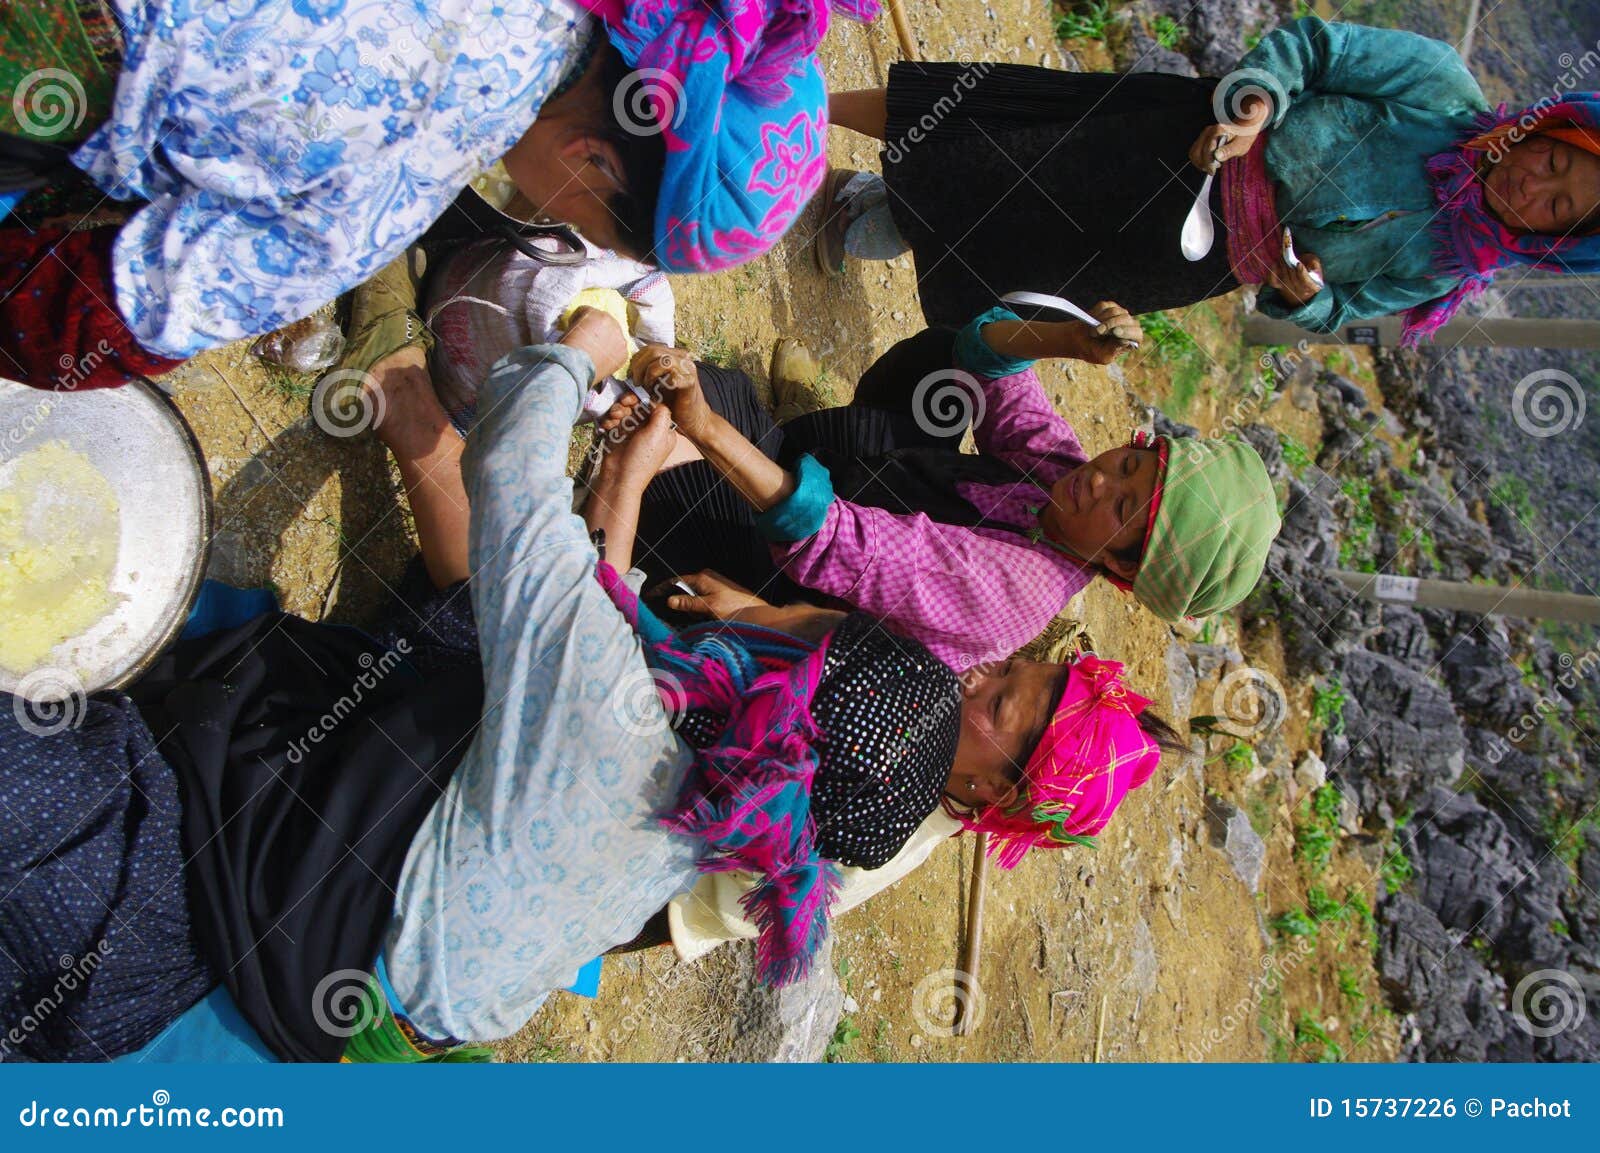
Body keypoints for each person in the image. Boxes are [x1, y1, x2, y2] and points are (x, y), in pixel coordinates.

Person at [0, 302, 1177, 1060]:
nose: (997, 692)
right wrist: (626, 484)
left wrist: (579, 353)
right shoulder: (728, 824)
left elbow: (517, 475)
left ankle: (406, 396)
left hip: (232, 891)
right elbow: (581, 659)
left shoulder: (617, 698)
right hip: (324, 1006)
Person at [0, 0, 874, 391]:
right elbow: (86, 321)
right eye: (585, 221)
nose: (554, 219)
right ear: (595, 161)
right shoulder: (392, 192)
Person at [816, 16, 1600, 342]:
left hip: (1199, 259)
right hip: (1186, 139)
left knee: (1041, 262)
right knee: (1009, 142)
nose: (1535, 188)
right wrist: (1256, 106)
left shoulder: (1446, 265)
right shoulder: (1438, 84)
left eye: (1556, 207)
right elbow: (1314, 48)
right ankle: (809, 106)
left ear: (1551, 240)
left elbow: (1347, 309)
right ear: (1550, 129)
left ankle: (900, 217)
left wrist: (1311, 297)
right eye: (1554, 162)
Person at [602, 305, 1281, 673]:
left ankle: (624, 508)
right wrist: (1068, 338)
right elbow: (986, 357)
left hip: (790, 590)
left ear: (1121, 566)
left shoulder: (1017, 586)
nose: (1100, 478)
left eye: (1124, 507)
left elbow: (831, 538)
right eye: (1129, 464)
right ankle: (721, 442)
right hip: (841, 512)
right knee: (942, 372)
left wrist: (709, 426)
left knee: (703, 419)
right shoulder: (1061, 480)